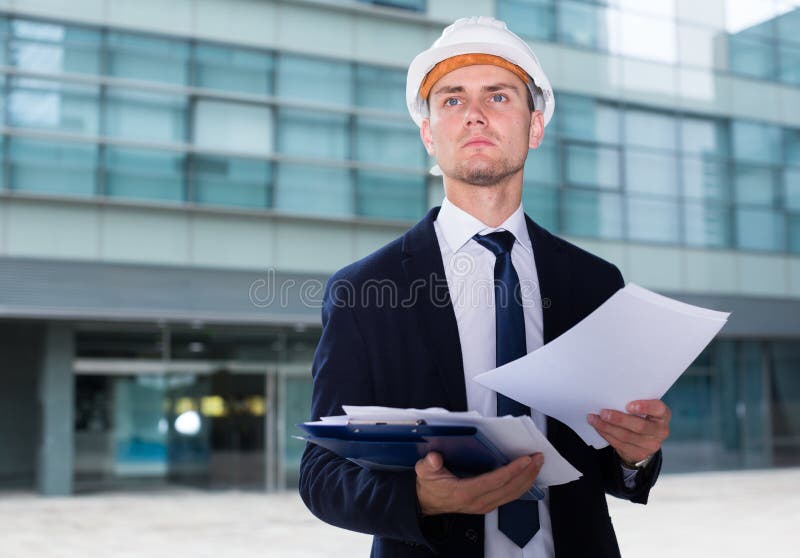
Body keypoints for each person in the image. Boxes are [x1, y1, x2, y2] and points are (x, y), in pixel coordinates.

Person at [299, 16, 671, 558]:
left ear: (534, 126)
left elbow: (609, 465)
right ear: (429, 133)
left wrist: (635, 454)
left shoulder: (594, 283)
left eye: (497, 96)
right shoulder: (363, 290)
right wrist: (418, 498)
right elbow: (320, 474)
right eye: (451, 100)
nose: (474, 113)